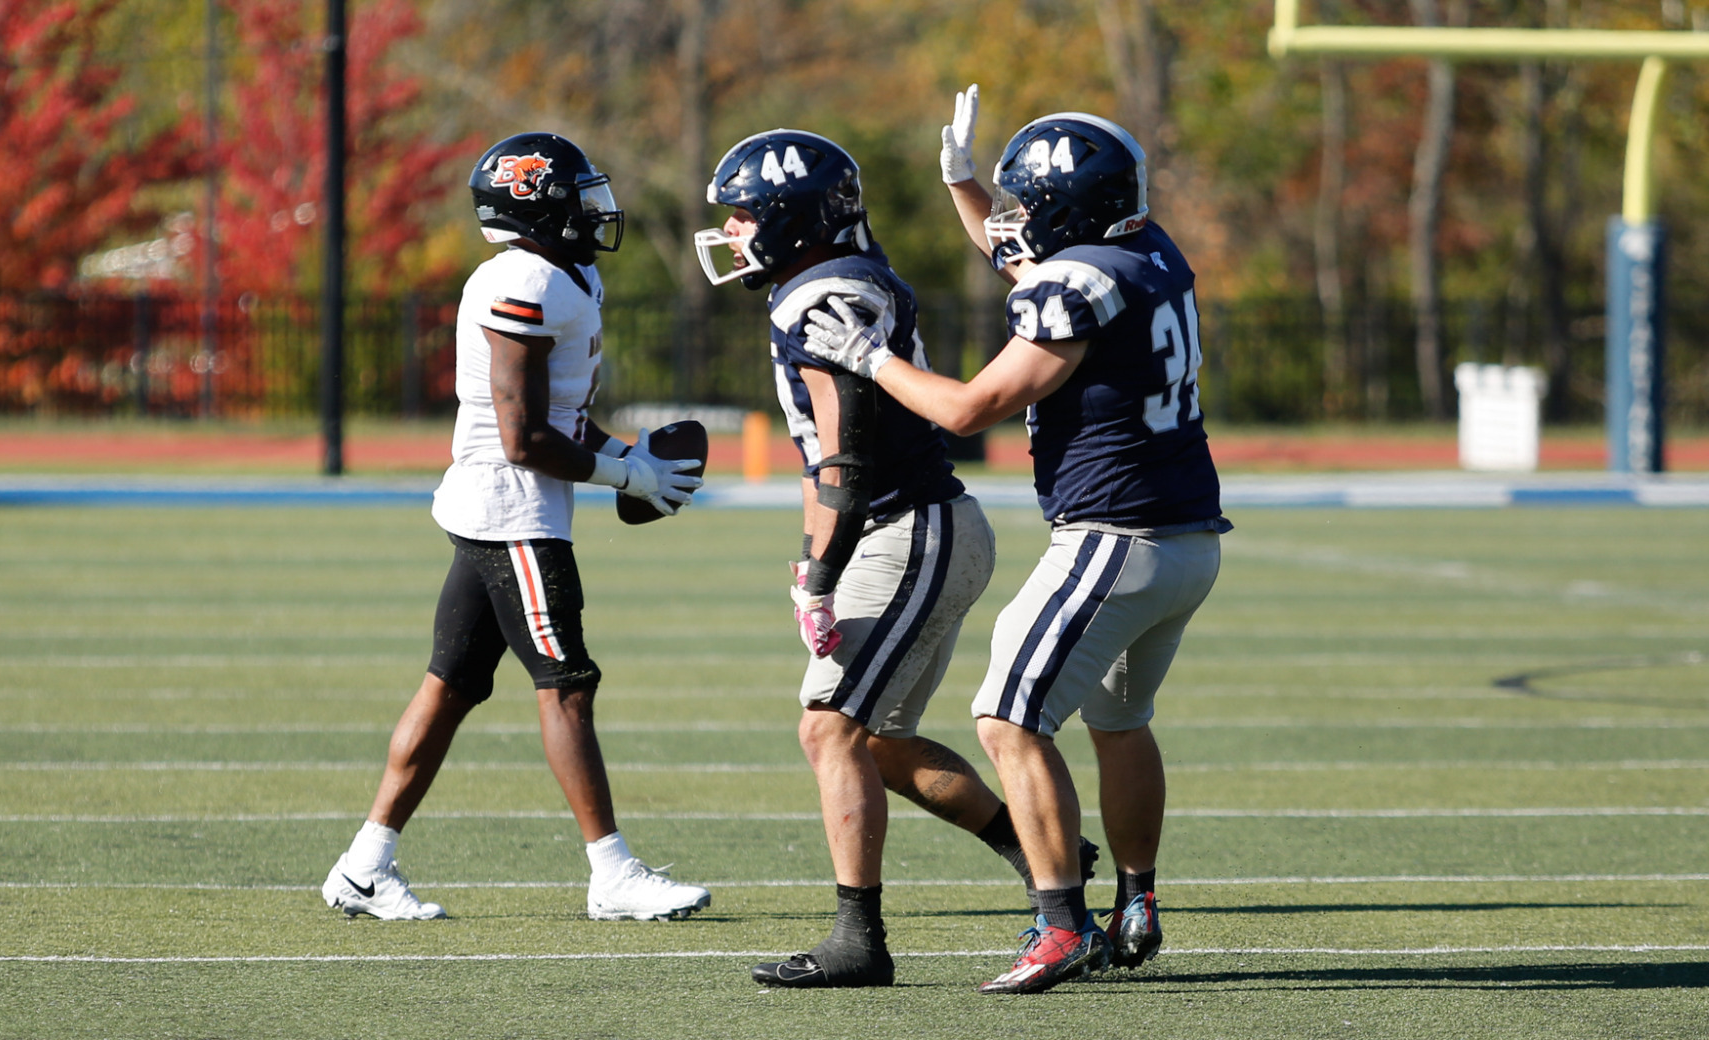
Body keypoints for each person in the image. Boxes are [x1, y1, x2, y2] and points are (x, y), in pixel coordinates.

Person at [802, 91, 1229, 994]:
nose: (1009, 221)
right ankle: (1138, 898)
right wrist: (963, 181)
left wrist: (873, 360)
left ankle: (1062, 924)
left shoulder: (1075, 281)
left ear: (1070, 211)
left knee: (1005, 718)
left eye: (1023, 202)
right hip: (1186, 539)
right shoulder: (1150, 251)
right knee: (1119, 722)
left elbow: (967, 409)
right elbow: (1027, 259)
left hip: (1114, 537)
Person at [693, 128, 1097, 987]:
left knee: (827, 726)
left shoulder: (824, 294)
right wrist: (812, 565)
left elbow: (844, 461)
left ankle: (858, 939)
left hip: (908, 528)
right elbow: (819, 463)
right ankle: (1040, 852)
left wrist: (823, 572)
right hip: (905, 527)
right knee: (877, 741)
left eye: (741, 215)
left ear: (789, 220)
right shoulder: (814, 285)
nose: (730, 232)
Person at [321, 132, 710, 923]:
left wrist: (625, 452)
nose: (591, 207)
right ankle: (613, 872)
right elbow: (523, 437)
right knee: (567, 686)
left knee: (451, 686)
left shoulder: (566, 276)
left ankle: (363, 867)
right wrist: (627, 475)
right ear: (535, 204)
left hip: (508, 505)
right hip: (512, 511)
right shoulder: (523, 279)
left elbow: (563, 416)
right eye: (575, 193)